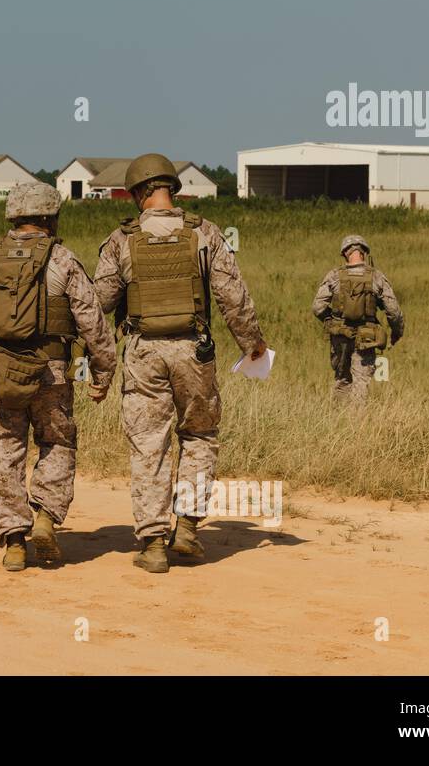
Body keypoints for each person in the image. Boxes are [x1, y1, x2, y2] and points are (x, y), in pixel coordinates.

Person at [94, 154, 267, 575]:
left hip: (143, 352)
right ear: (174, 188)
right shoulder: (204, 233)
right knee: (200, 435)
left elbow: (98, 304)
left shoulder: (121, 240)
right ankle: (187, 528)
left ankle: (153, 543)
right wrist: (253, 345)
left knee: (149, 444)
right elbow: (232, 296)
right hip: (194, 350)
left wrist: (93, 361)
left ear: (137, 193)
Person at [0, 182, 116, 572]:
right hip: (50, 373)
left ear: (13, 218)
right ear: (51, 218)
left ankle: (14, 540)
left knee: (2, 452)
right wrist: (101, 373)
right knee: (57, 443)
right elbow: (92, 323)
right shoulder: (63, 260)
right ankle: (45, 518)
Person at [312, 235, 404, 404]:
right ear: (364, 253)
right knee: (361, 383)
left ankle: (338, 423)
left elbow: (317, 307)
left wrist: (331, 322)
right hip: (367, 337)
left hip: (340, 336)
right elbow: (394, 311)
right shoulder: (376, 276)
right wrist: (396, 332)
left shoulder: (334, 276)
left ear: (345, 254)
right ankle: (358, 426)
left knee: (341, 379)